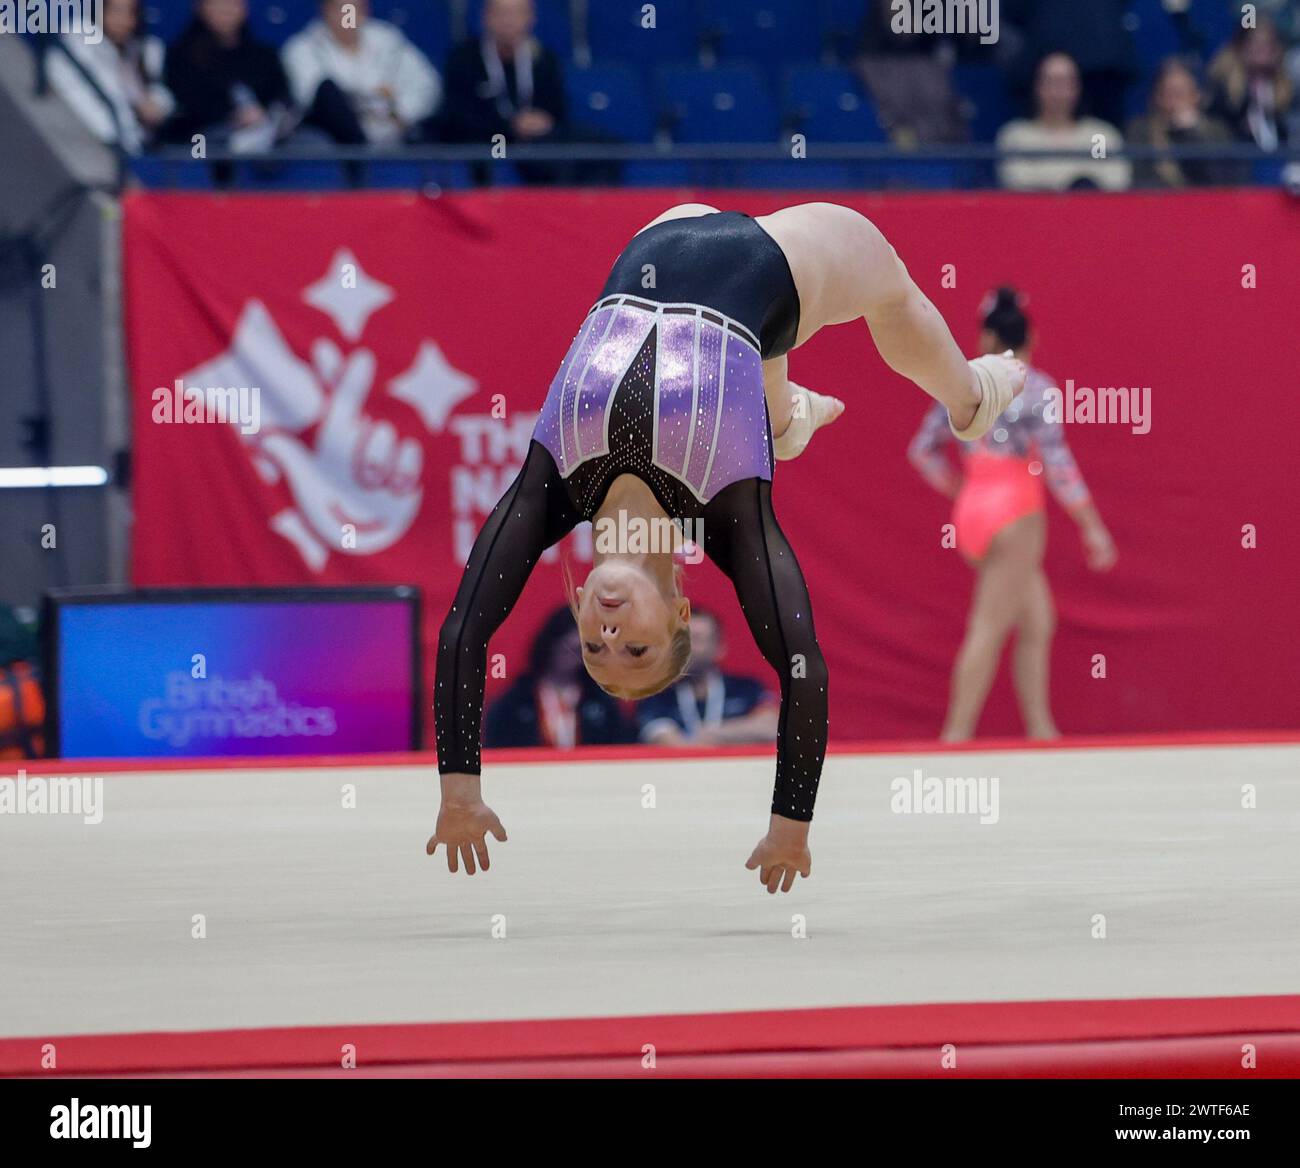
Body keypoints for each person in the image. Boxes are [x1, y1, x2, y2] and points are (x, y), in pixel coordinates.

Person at [429, 200, 1027, 895]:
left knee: (759, 371)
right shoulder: (724, 508)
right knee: (889, 285)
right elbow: (803, 668)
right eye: (636, 649)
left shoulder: (552, 487)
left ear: (578, 604)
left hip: (660, 235)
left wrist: (460, 791)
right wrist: (789, 827)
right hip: (775, 263)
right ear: (680, 612)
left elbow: (464, 631)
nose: (609, 634)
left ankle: (787, 419)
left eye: (596, 646)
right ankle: (973, 400)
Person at [908, 287, 1116, 743]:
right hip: (1017, 510)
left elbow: (921, 450)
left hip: (975, 507)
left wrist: (960, 488)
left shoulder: (962, 382)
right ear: (1032, 338)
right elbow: (1058, 464)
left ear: (986, 338)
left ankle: (1041, 730)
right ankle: (955, 737)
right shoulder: (1039, 388)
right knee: (988, 626)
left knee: (1037, 619)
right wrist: (1092, 527)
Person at [437, 0, 568, 183]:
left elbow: (558, 110)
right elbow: (456, 114)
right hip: (488, 141)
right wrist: (510, 126)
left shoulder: (544, 59)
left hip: (534, 142)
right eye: (501, 13)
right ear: (486, 17)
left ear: (531, 18)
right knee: (484, 150)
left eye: (517, 13)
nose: (508, 21)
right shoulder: (463, 59)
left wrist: (541, 121)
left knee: (572, 147)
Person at [282, 0, 442, 147]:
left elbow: (427, 84)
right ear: (325, 10)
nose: (349, 16)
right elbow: (311, 98)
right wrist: (376, 100)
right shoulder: (300, 49)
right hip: (336, 143)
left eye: (356, 8)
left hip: (395, 135)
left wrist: (402, 112)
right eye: (343, 9)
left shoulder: (387, 39)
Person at [484, 607, 632, 750]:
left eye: (578, 651)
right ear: (551, 645)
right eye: (566, 649)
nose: (571, 657)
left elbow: (620, 744)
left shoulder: (600, 700)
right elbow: (497, 747)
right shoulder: (515, 701)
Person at [45, 0, 174, 155]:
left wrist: (155, 105)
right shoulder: (76, 42)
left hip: (138, 147)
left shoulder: (143, 48)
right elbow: (82, 100)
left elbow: (158, 93)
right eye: (117, 11)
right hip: (96, 146)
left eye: (131, 13)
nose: (124, 21)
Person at [162, 0, 292, 152]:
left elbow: (282, 96)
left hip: (265, 130)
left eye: (232, 3)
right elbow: (187, 103)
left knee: (306, 142)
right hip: (203, 134)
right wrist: (233, 116)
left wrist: (264, 114)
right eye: (218, 3)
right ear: (200, 8)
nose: (226, 10)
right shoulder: (181, 56)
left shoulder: (264, 55)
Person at [637, 610, 778, 747]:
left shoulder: (747, 688)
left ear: (719, 647)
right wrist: (741, 734)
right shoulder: (657, 695)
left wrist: (714, 734)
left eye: (696, 638)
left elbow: (771, 726)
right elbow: (666, 741)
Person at [996, 53, 1132, 191]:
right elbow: (1017, 181)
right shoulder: (1017, 136)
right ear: (1036, 86)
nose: (1057, 90)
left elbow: (1115, 181)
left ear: (1078, 87)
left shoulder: (1100, 135)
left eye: (1065, 82)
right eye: (1050, 81)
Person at [1126, 58, 1241, 189]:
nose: (1173, 102)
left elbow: (1222, 180)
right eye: (1166, 94)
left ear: (1196, 95)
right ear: (1156, 97)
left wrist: (1192, 133)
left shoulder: (1217, 130)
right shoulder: (1141, 130)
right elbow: (1141, 180)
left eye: (1179, 94)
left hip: (1206, 199)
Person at [1207, 19, 1295, 152]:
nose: (1262, 48)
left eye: (1268, 43)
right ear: (1241, 47)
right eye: (1255, 42)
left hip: (1279, 157)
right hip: (1236, 156)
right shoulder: (1223, 87)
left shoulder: (1285, 88)